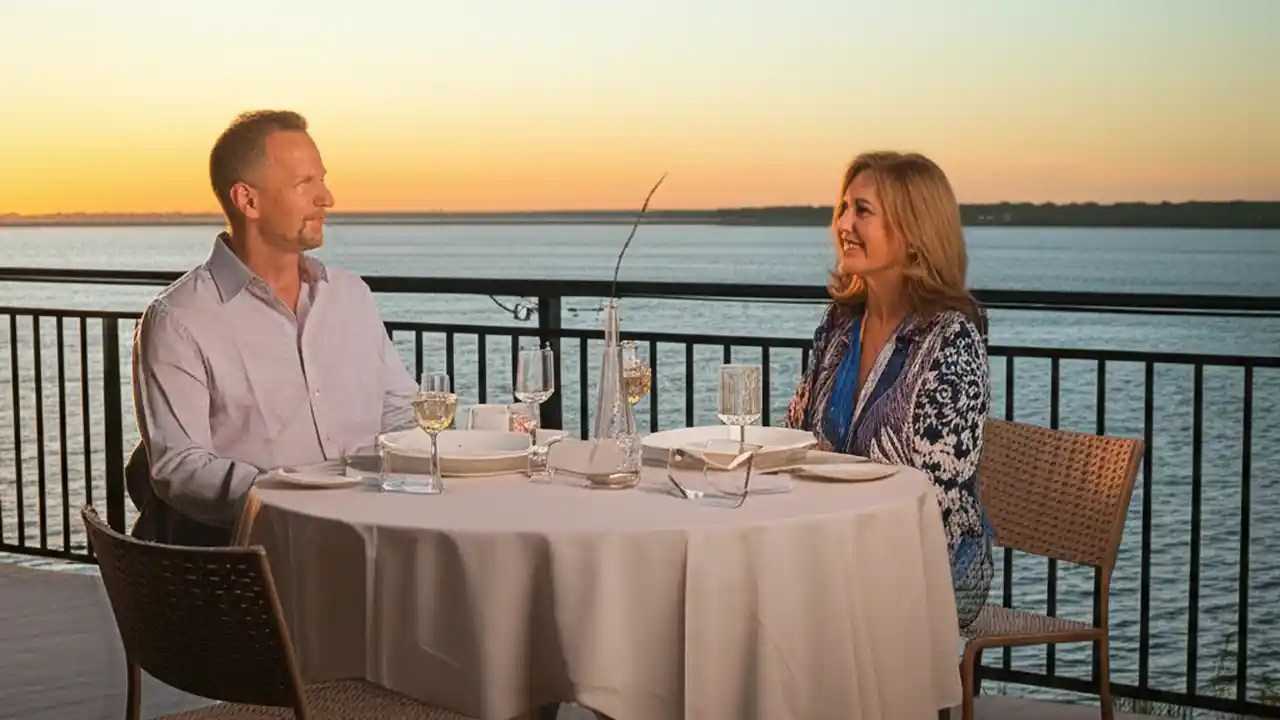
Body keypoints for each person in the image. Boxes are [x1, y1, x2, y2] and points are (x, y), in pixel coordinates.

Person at [129, 110, 418, 545]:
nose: (327, 198)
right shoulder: (180, 319)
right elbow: (180, 467)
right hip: (258, 556)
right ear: (248, 201)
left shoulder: (350, 296)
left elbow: (400, 411)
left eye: (323, 180)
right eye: (305, 184)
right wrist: (294, 501)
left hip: (374, 532)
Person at [783, 151, 994, 628]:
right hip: (831, 541)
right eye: (843, 208)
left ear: (914, 231)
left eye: (863, 211)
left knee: (776, 595)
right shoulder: (840, 326)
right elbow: (795, 433)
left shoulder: (950, 339)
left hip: (930, 563)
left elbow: (935, 493)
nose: (844, 224)